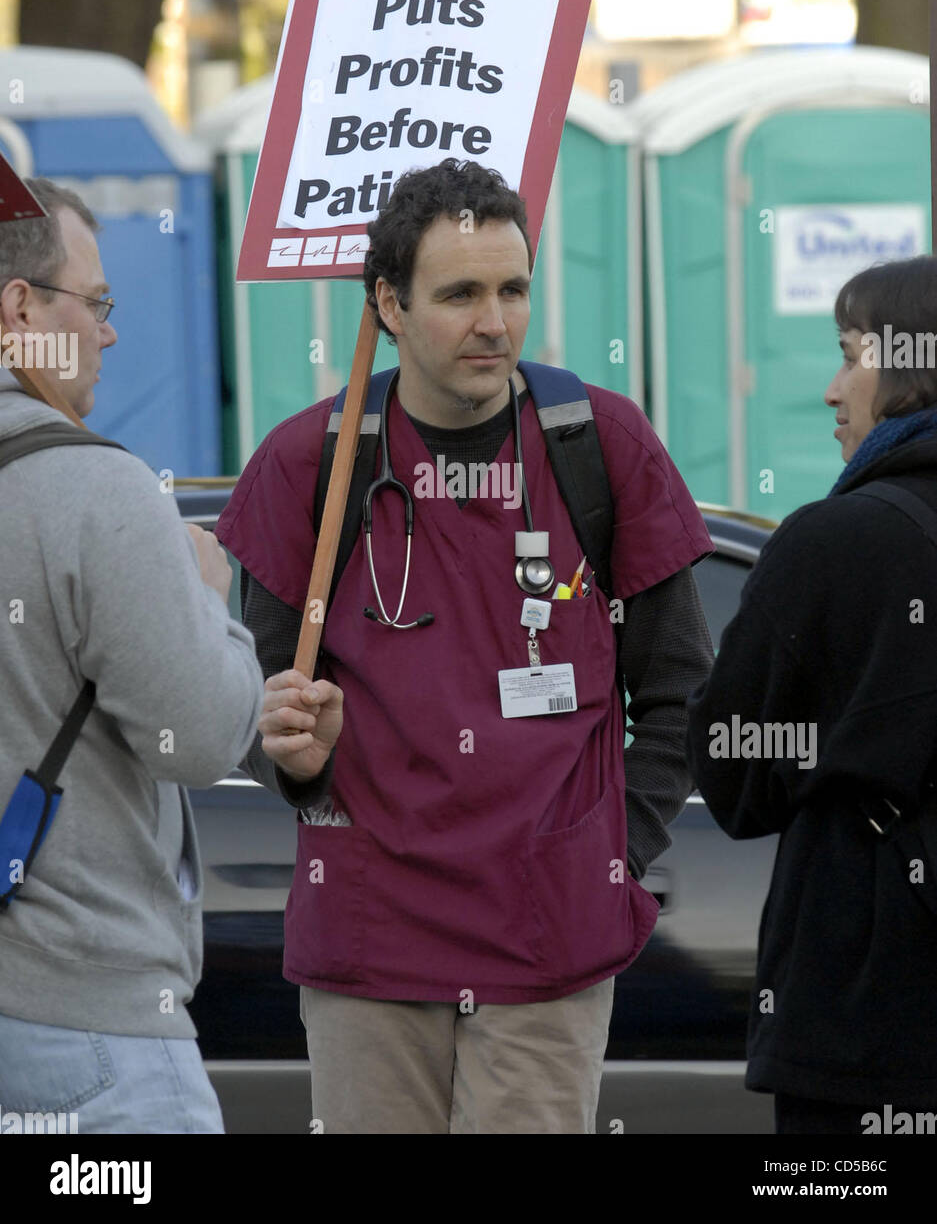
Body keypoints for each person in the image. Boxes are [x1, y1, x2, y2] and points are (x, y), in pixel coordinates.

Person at [217, 158, 714, 1134]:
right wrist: (295, 763)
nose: (495, 321)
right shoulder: (304, 466)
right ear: (389, 305)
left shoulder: (600, 444)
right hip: (371, 948)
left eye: (512, 289)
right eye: (460, 294)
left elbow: (680, 693)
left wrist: (611, 851)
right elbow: (255, 708)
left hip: (547, 944)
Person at [0, 178, 265, 1133]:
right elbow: (195, 737)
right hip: (91, 1028)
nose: (108, 334)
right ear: (20, 309)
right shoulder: (99, 491)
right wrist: (210, 602)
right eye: (96, 303)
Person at [687, 254, 937, 1134]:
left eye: (850, 354)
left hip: (862, 1012)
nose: (833, 391)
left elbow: (734, 781)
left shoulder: (834, 541)